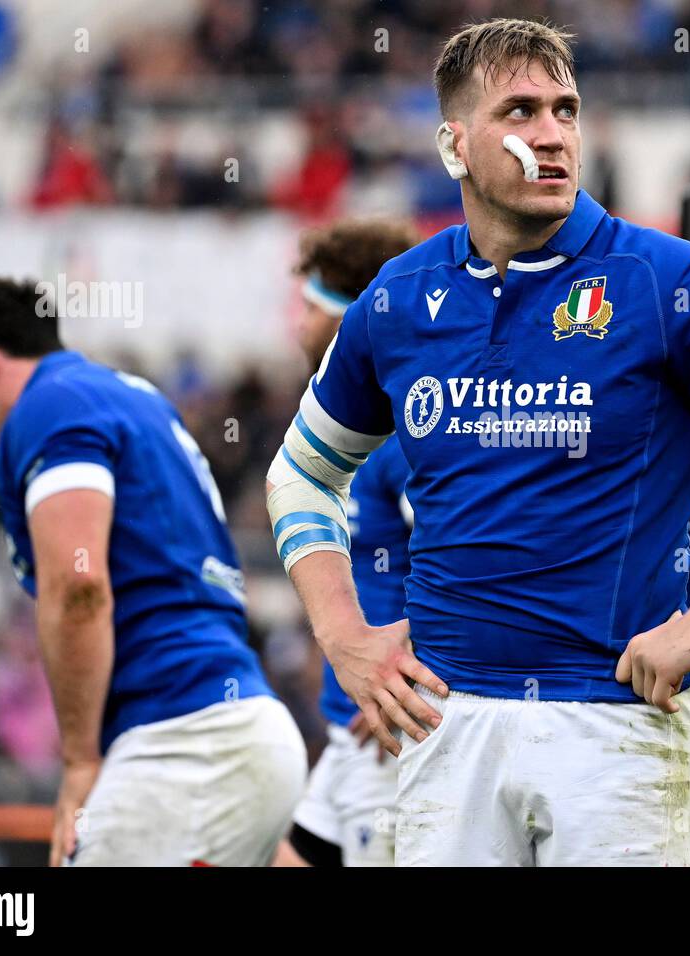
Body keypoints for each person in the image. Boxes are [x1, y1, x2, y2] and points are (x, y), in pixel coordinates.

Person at [264, 18, 690, 866]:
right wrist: (342, 634)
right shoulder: (397, 298)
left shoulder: (667, 281)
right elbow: (301, 476)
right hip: (447, 727)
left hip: (616, 730)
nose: (552, 135)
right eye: (520, 112)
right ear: (455, 145)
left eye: (566, 110)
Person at [0, 276, 306, 866]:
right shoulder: (131, 400)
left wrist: (79, 762)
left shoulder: (48, 406)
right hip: (238, 735)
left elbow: (79, 586)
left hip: (182, 743)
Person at [273, 218, 419, 867]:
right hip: (349, 731)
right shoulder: (341, 432)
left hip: (391, 726)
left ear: (350, 319)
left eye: (308, 307)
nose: (295, 325)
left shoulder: (404, 425)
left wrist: (410, 662)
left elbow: (480, 558)